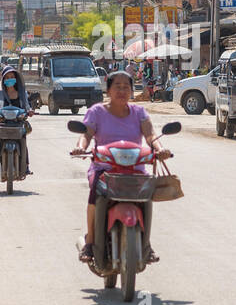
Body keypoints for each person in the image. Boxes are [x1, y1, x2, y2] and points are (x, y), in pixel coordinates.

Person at [71, 70, 169, 265]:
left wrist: (160, 149)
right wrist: (80, 147)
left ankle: (146, 244)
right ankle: (90, 242)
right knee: (96, 194)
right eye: (117, 86)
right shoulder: (96, 111)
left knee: (147, 194)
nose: (122, 90)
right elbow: (87, 134)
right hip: (104, 168)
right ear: (108, 90)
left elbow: (150, 135)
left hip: (135, 169)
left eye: (127, 87)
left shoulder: (139, 112)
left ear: (132, 91)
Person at [0, 65, 34, 175]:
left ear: (16, 79)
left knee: (23, 140)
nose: (9, 79)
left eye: (12, 77)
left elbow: (28, 107)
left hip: (18, 124)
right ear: (3, 80)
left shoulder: (23, 94)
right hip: (2, 123)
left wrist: (30, 111)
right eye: (7, 78)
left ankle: (26, 166)